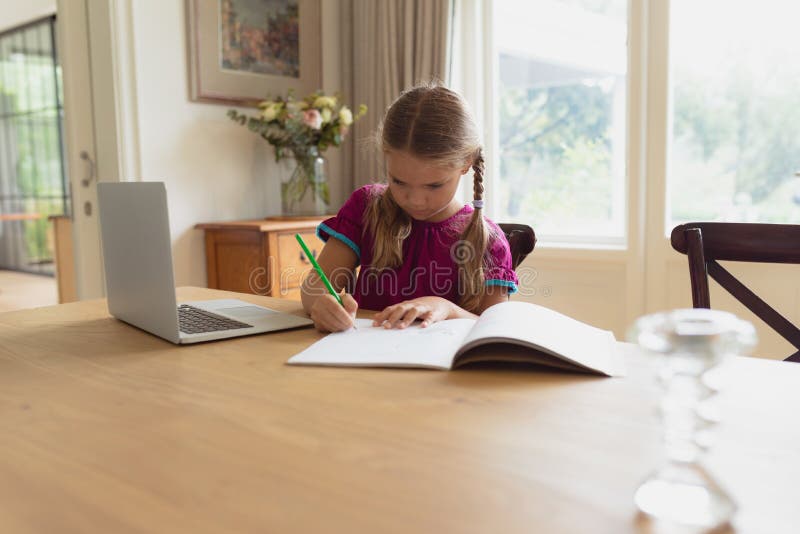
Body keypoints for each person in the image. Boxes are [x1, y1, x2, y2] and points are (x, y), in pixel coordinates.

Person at [300, 84, 518, 332]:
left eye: (434, 185)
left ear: (466, 163)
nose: (415, 200)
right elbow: (313, 289)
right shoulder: (366, 208)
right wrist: (320, 304)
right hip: (364, 360)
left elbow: (496, 327)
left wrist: (446, 308)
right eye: (399, 181)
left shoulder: (488, 241)